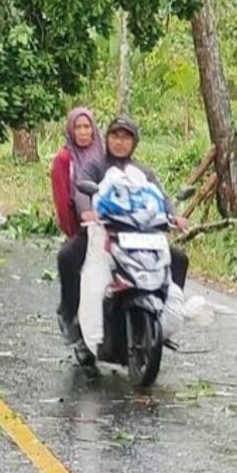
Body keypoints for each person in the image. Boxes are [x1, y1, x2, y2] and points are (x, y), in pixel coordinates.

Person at [57, 116, 189, 339]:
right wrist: (86, 211)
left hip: (140, 235)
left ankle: (162, 316)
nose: (120, 142)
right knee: (67, 256)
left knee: (179, 259)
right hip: (103, 233)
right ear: (107, 139)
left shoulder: (144, 172)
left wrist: (174, 216)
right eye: (115, 136)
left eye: (126, 137)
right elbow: (81, 190)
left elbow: (160, 197)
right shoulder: (95, 166)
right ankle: (69, 314)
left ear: (134, 141)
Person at [50, 106, 105, 239]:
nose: (83, 132)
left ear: (93, 129)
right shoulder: (63, 159)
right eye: (77, 127)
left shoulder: (103, 153)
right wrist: (73, 233)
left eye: (87, 127)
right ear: (70, 131)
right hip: (79, 228)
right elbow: (62, 202)